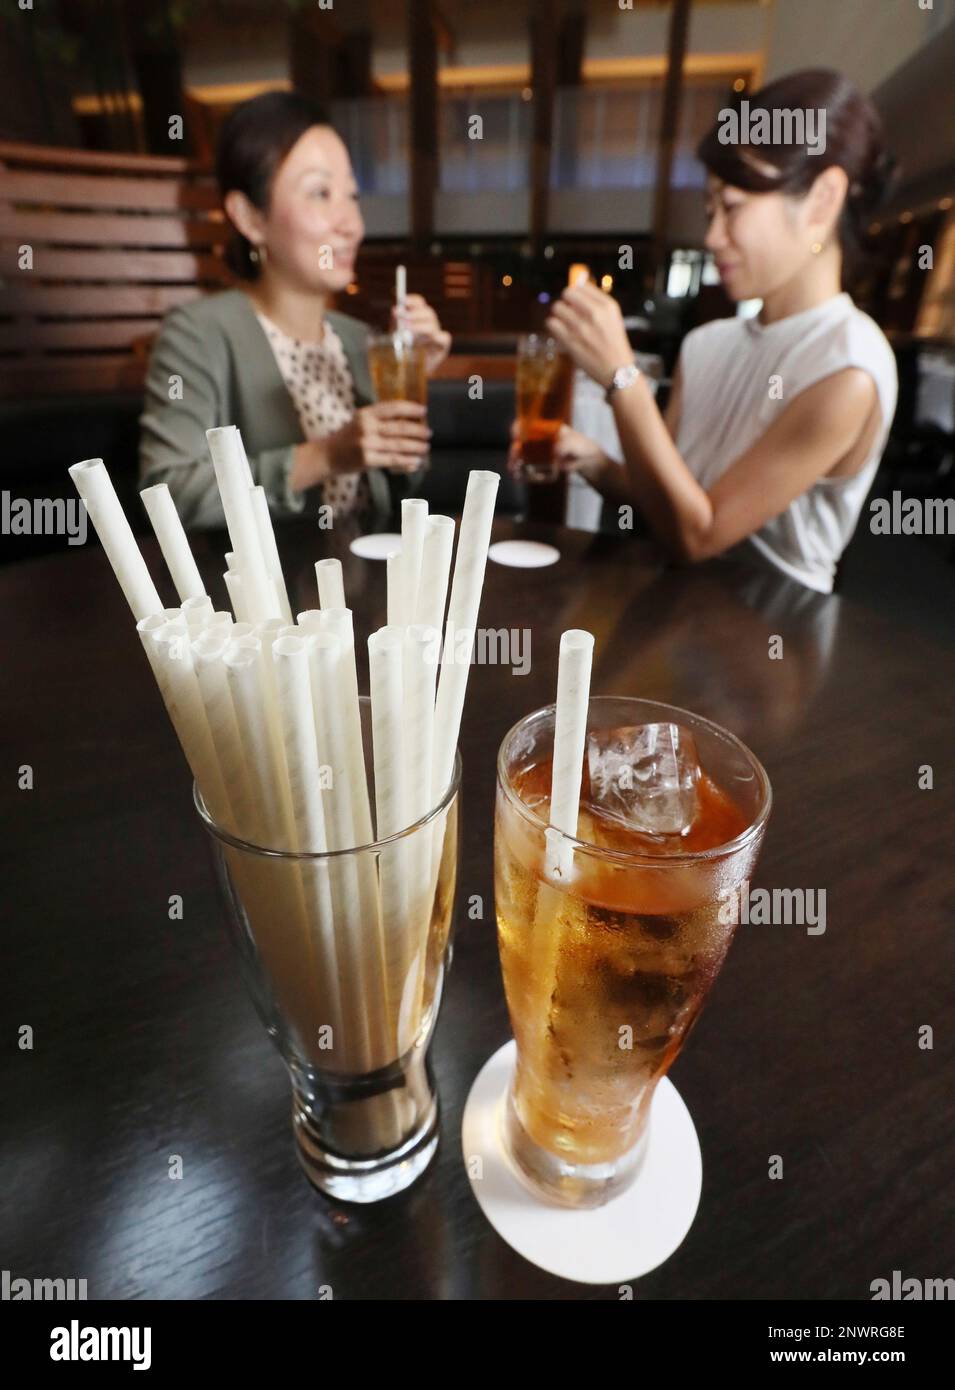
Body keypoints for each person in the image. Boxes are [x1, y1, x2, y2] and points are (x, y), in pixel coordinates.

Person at [516, 69, 899, 594]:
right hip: (674, 621)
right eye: (709, 210)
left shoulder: (847, 366)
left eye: (733, 209)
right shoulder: (708, 344)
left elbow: (699, 534)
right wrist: (595, 461)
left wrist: (620, 377)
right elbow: (666, 498)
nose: (712, 236)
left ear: (822, 201)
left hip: (773, 641)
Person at [139, 91, 451, 529]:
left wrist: (410, 386)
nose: (351, 224)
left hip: (367, 586)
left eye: (353, 196)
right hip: (267, 595)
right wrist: (325, 455)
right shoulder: (197, 335)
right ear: (249, 217)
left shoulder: (362, 341)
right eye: (321, 193)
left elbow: (404, 487)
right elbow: (169, 497)